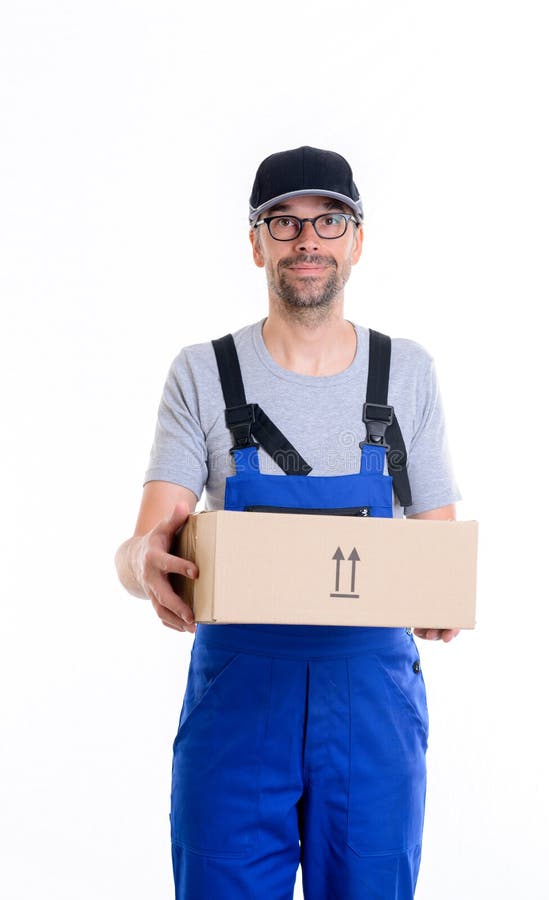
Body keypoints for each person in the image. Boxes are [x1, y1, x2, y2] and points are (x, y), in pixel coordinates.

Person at [114, 145, 463, 899]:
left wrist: (441, 601)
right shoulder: (202, 372)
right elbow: (146, 540)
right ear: (256, 243)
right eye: (284, 221)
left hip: (371, 702)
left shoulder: (406, 372)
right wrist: (142, 563)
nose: (308, 239)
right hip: (238, 700)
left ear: (357, 241)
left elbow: (438, 543)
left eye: (329, 221)